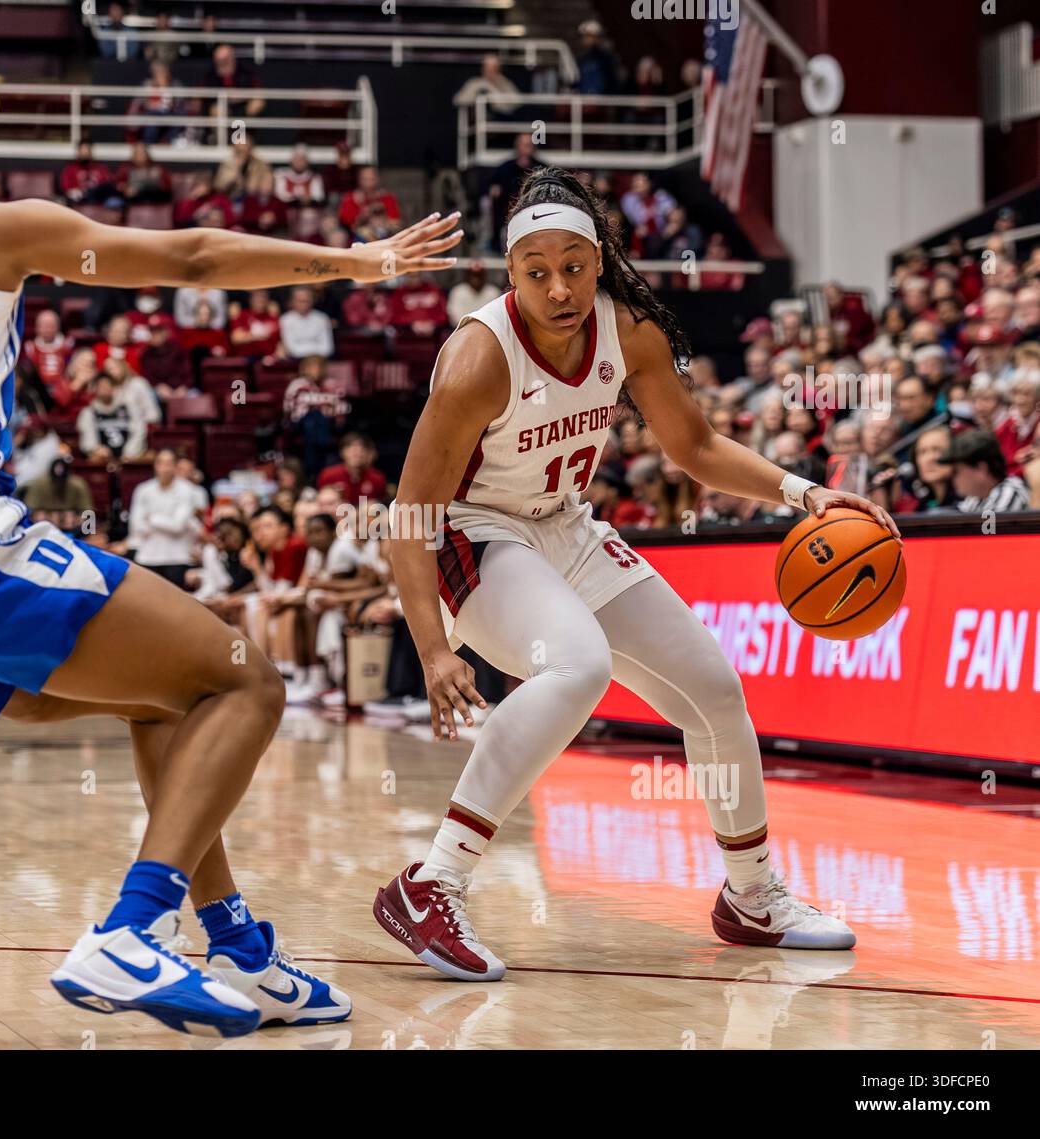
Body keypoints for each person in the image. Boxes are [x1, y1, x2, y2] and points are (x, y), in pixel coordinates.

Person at [0, 54, 461, 1036]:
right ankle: (131, 928)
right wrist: (359, 263)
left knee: (167, 692)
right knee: (248, 678)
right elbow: (193, 261)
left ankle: (235, 939)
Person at [373, 167, 901, 982]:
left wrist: (804, 491)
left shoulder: (631, 331)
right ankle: (432, 881)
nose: (558, 288)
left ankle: (753, 895)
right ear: (509, 273)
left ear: (600, 258)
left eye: (574, 266)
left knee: (715, 690)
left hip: (567, 528)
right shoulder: (478, 356)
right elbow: (408, 518)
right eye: (536, 270)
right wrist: (435, 649)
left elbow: (693, 449)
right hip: (473, 534)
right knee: (577, 664)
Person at [128, 448, 205, 587]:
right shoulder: (143, 490)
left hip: (178, 557)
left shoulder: (187, 490)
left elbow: (177, 526)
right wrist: (165, 522)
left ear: (175, 466)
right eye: (161, 463)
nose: (165, 468)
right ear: (155, 466)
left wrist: (151, 518)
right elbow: (137, 526)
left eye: (169, 463)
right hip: (148, 556)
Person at [942, 429, 1031, 515]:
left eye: (956, 471)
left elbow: (990, 530)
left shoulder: (1009, 493)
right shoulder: (976, 496)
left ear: (981, 468)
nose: (952, 477)